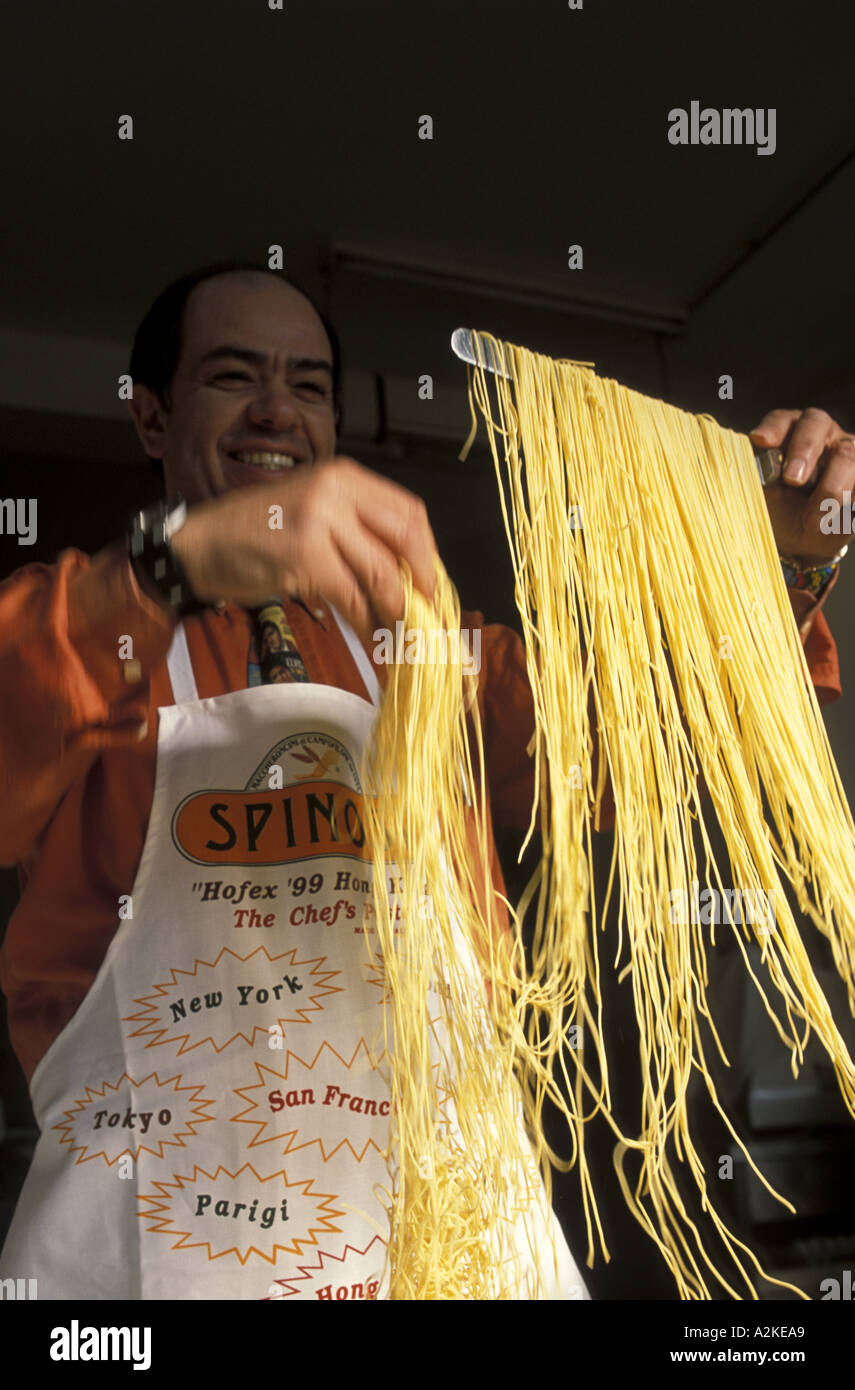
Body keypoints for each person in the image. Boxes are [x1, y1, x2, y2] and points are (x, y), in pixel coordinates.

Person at [0, 262, 847, 1300]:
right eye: (234, 376)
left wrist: (781, 567)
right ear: (149, 416)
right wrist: (176, 565)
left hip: (453, 1240)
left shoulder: (430, 653)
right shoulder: (79, 625)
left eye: (309, 386)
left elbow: (647, 728)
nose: (278, 408)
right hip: (159, 1257)